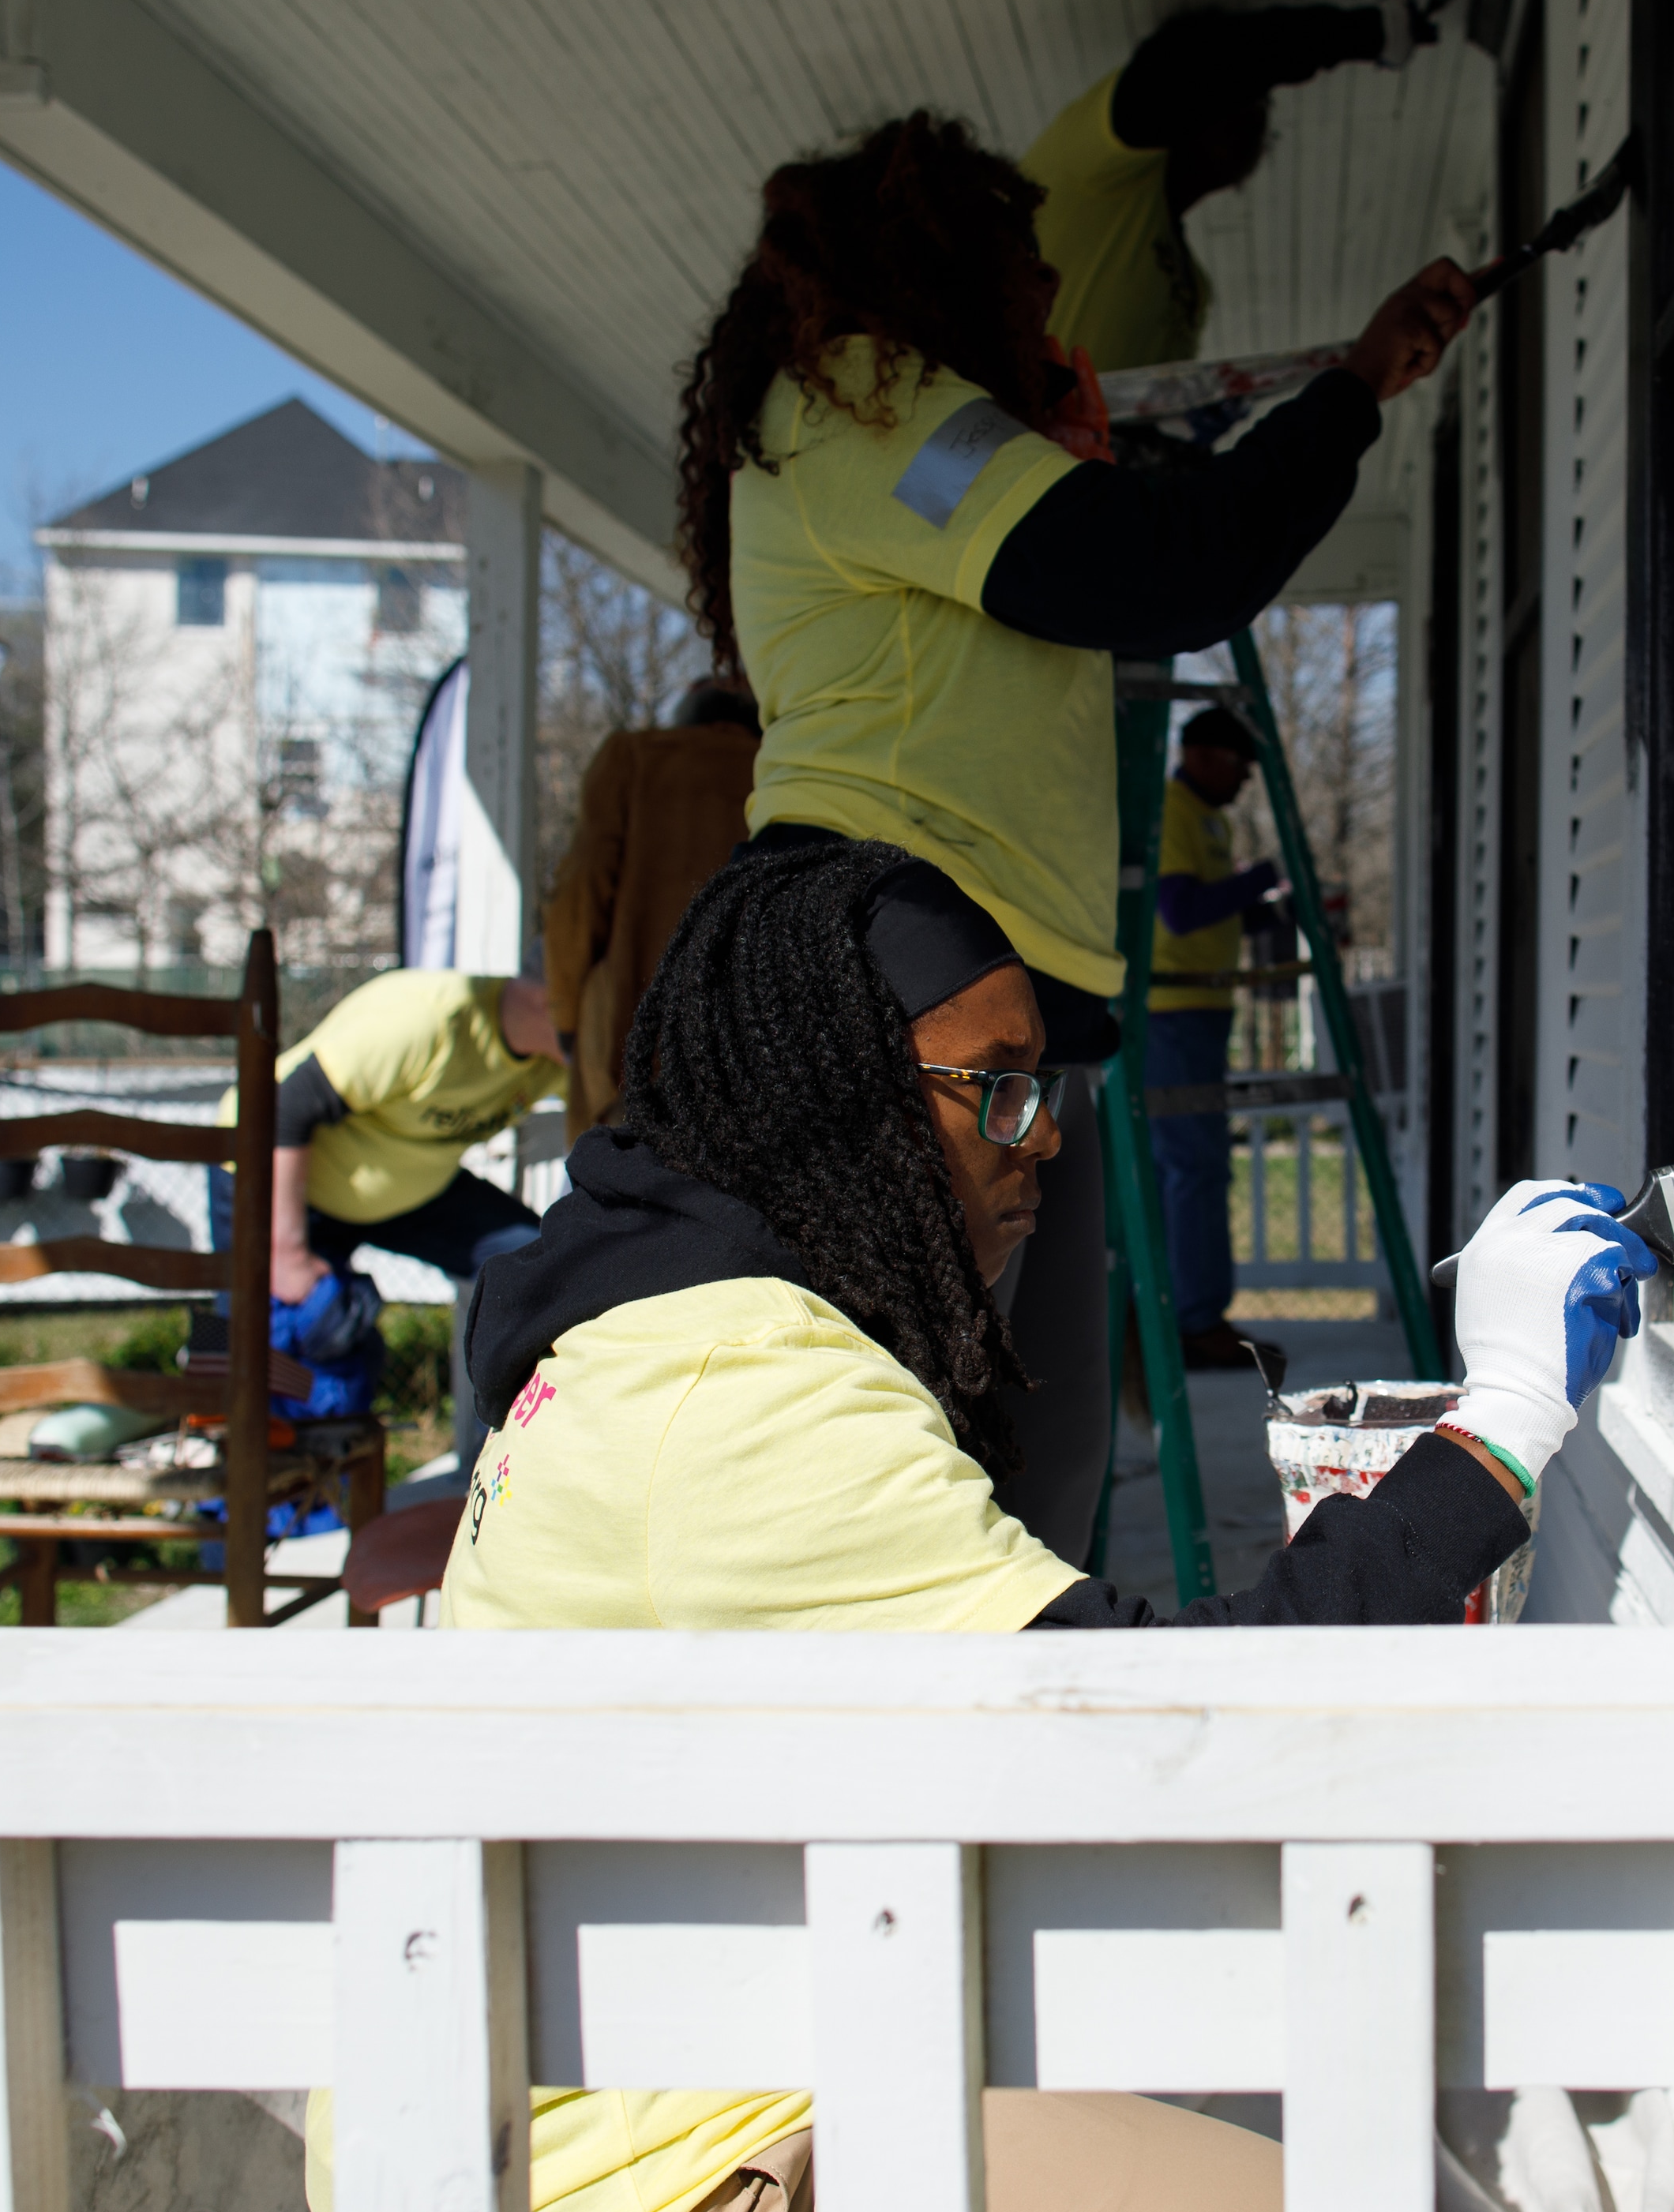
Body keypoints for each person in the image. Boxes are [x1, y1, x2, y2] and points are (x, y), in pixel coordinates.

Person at [328, 838, 1648, 2212]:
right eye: (995, 1087)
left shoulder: (652, 1319)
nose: (1043, 1143)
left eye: (1050, 1092)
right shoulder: (742, 1385)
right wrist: (1509, 1421)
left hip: (571, 2114)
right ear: (839, 1097)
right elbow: (1190, 1727)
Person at [673, 110, 1470, 1562]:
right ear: (931, 274)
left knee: (1039, 1478)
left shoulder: (884, 418)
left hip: (999, 996)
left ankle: (1004, 1770)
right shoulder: (864, 394)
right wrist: (1350, 387)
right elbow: (1161, 564)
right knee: (939, 1492)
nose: (1047, 297)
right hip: (898, 977)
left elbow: (1116, 544)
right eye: (1018, 269)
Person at [242, 966, 565, 1464]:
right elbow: (284, 1105)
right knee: (262, 1366)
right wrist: (285, 1252)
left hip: (402, 1184)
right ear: (549, 1000)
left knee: (545, 1264)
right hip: (275, 1175)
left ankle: (526, 1458)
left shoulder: (557, 1058)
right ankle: (236, 1523)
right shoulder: (428, 1019)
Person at [1023, 0, 1440, 374]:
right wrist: (1366, 33)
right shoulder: (1091, 165)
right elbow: (1186, 63)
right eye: (1246, 96)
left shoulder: (1194, 290)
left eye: (1261, 104)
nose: (1257, 118)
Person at [540, 673, 759, 1138]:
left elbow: (579, 898)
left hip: (634, 1059)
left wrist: (565, 1018)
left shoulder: (636, 759)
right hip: (751, 1071)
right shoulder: (778, 776)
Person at [1145, 704, 1291, 1377]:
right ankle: (1193, 1322)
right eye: (1237, 767)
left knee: (1197, 1167)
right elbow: (1179, 908)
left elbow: (1207, 906)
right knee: (1191, 1168)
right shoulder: (1172, 808)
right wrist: (1257, 880)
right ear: (1201, 753)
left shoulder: (1209, 817)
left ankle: (1196, 1313)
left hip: (1199, 1005)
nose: (1241, 783)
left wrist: (1262, 904)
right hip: (1171, 1009)